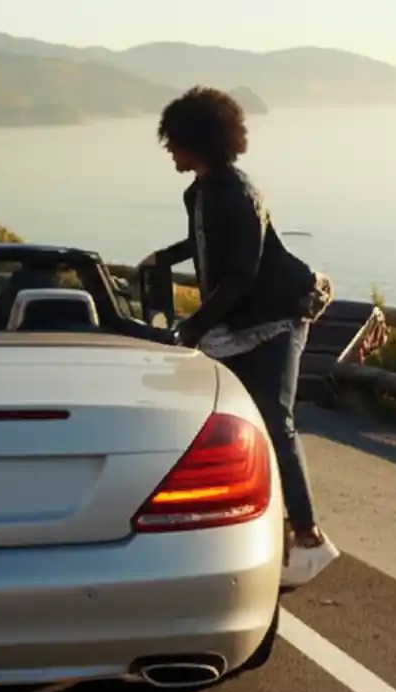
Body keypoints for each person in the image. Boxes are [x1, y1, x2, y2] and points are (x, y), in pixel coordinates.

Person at [144, 86, 340, 588]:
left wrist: (193, 326)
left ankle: (311, 538)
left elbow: (241, 276)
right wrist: (163, 258)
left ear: (198, 140)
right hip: (238, 321)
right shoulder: (201, 192)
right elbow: (204, 241)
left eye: (174, 141)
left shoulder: (241, 194)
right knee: (233, 420)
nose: (169, 149)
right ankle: (259, 523)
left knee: (277, 420)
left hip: (280, 313)